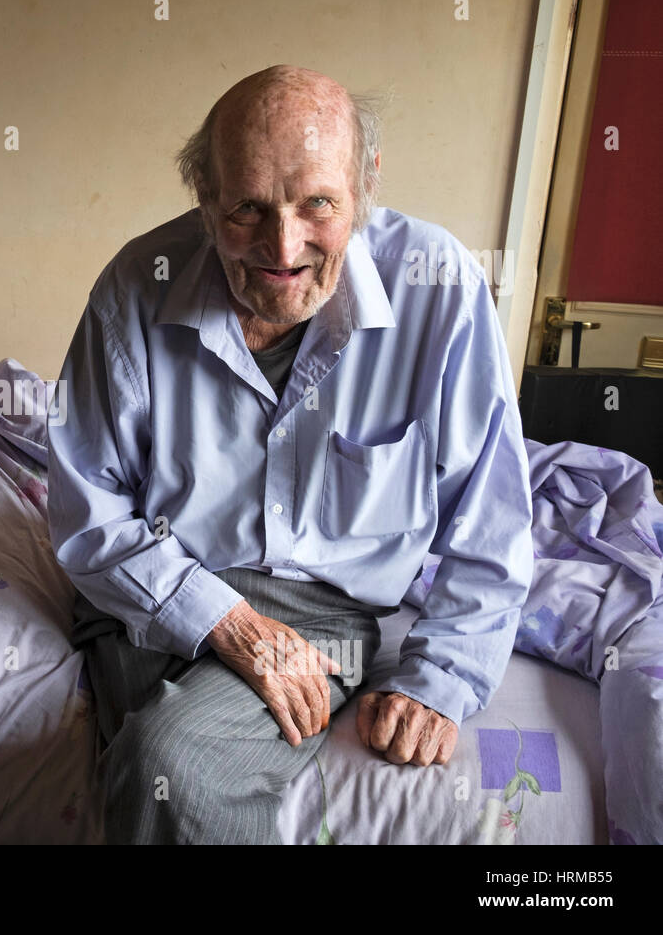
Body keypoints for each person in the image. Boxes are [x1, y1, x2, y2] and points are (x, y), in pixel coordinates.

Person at [47, 64, 534, 844]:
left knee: (168, 759)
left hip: (326, 609)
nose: (284, 247)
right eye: (247, 208)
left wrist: (440, 679)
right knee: (161, 766)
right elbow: (86, 511)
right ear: (202, 194)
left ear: (365, 185)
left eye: (318, 205)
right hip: (160, 577)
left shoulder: (438, 286)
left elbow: (492, 522)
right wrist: (228, 624)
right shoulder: (137, 284)